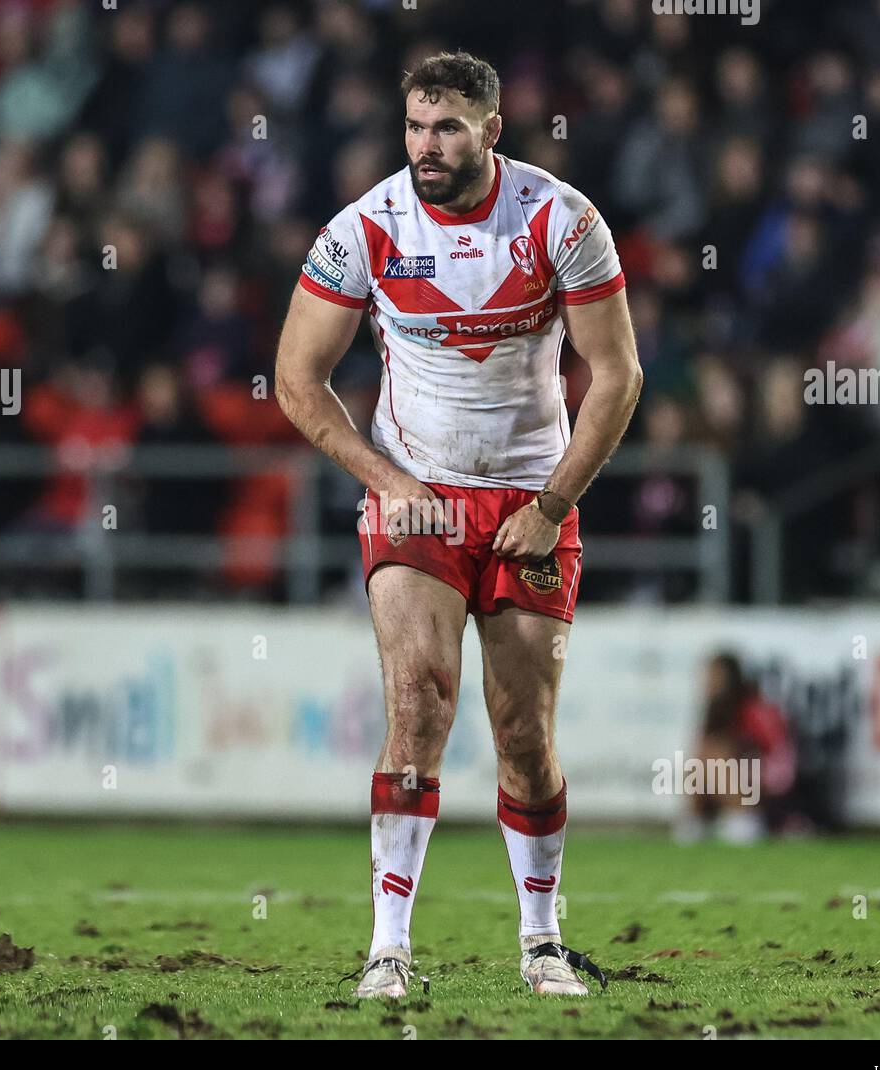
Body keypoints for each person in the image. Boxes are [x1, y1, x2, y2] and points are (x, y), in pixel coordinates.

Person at [275, 52, 643, 997]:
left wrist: (553, 503)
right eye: (412, 127)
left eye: (445, 128)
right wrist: (385, 479)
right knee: (419, 706)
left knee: (524, 733)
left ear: (492, 128)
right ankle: (388, 949)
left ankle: (542, 942)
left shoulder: (562, 219)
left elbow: (619, 375)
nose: (424, 147)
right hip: (419, 497)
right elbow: (295, 377)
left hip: (530, 496)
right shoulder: (366, 228)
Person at [676, 652, 797, 844]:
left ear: (729, 679)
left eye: (714, 676)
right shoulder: (715, 713)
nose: (708, 682)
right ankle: (696, 821)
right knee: (703, 754)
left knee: (716, 753)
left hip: (769, 786)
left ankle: (743, 819)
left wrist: (758, 777)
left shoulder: (756, 710)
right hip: (740, 782)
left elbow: (781, 759)